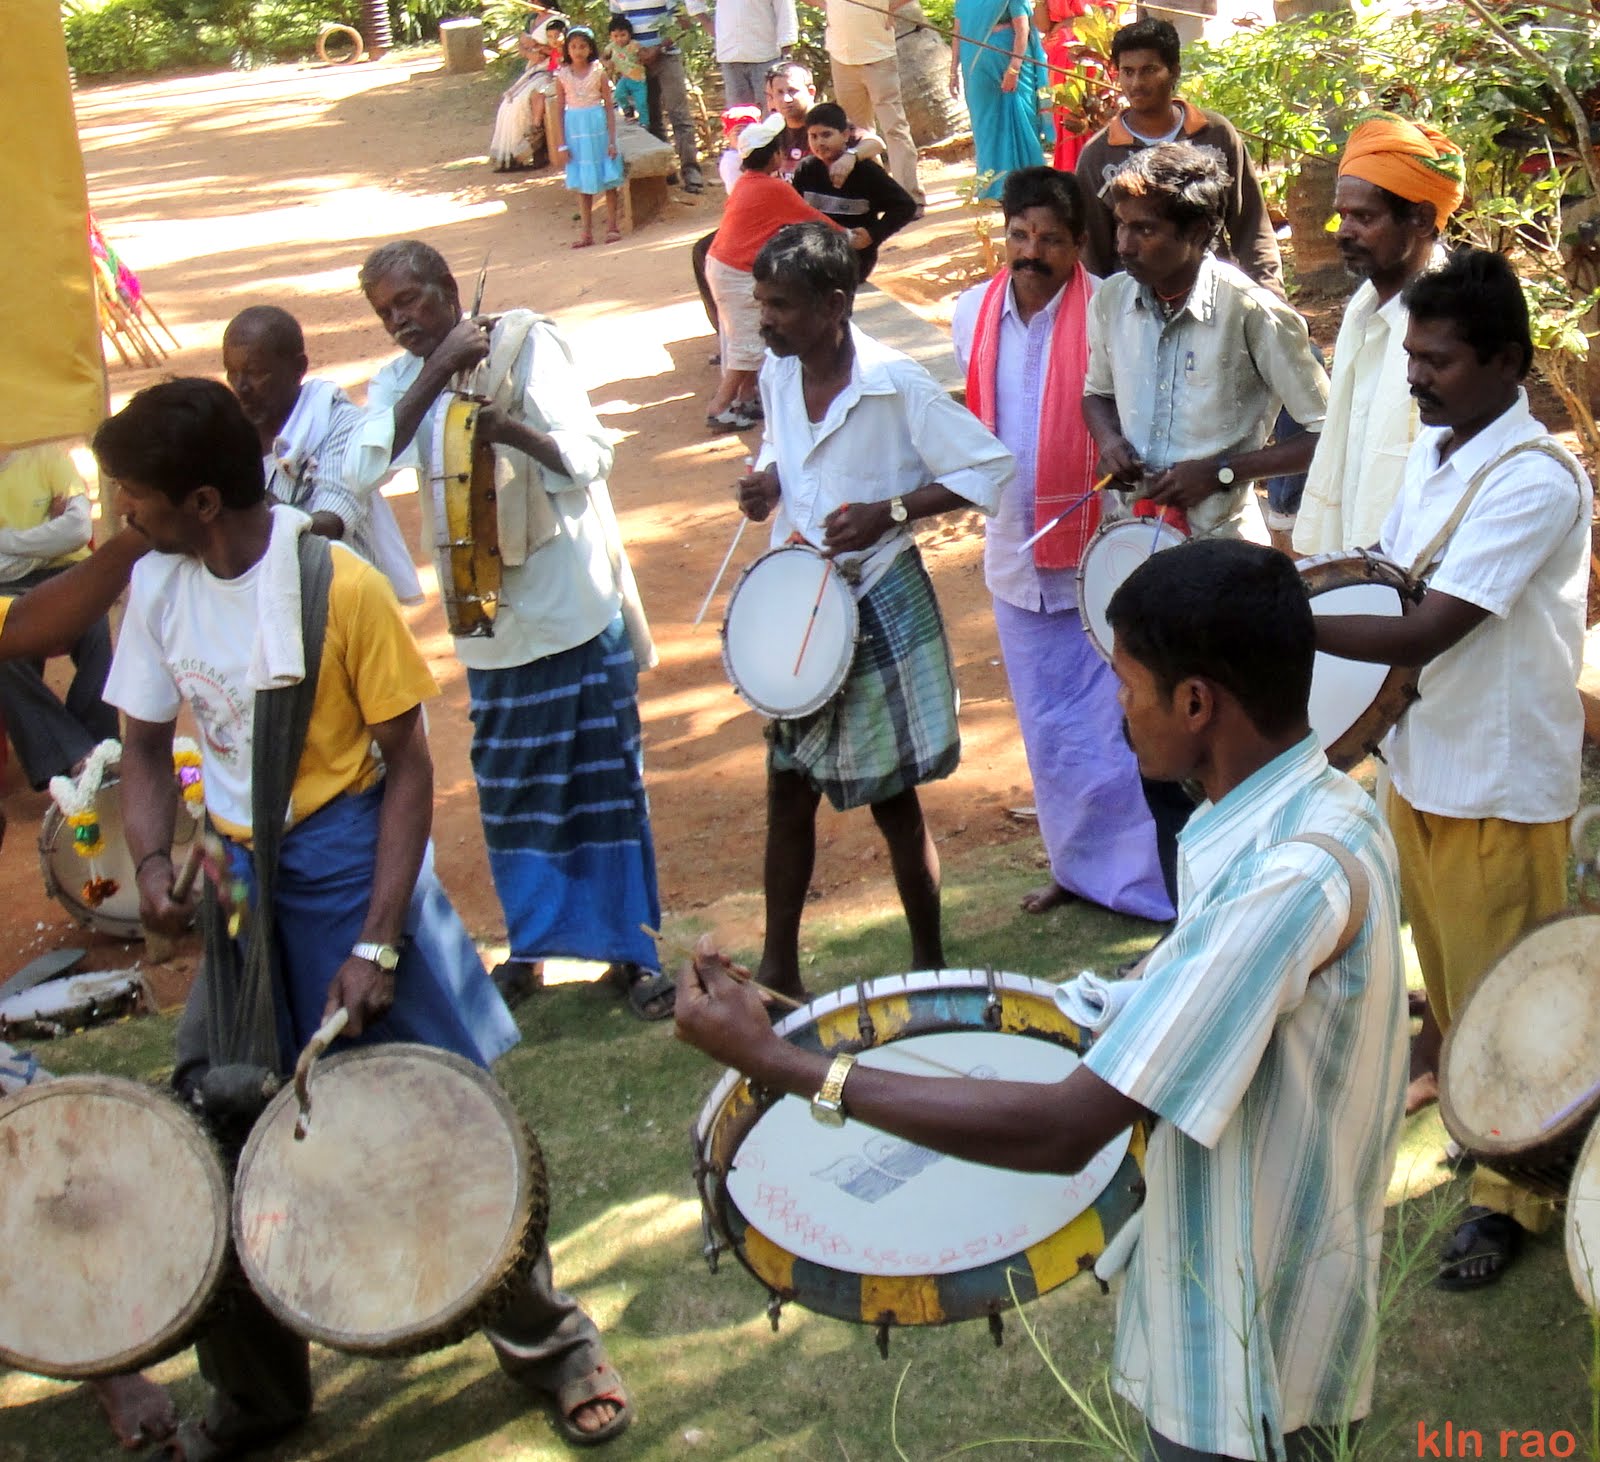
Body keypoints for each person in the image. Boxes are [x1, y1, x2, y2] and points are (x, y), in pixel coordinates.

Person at [678, 536, 1407, 1462]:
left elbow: (1066, 1128)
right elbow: (1175, 996)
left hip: (1255, 1377)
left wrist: (784, 1065)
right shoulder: (1313, 811)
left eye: (1127, 685)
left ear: (1196, 704)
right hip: (1239, 1323)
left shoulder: (1292, 880)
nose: (1117, 708)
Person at [97, 378, 634, 1457]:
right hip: (241, 872)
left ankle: (554, 1344)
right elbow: (146, 747)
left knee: (445, 1114)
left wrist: (377, 938)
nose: (125, 521)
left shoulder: (335, 587)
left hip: (349, 859)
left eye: (137, 500)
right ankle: (257, 1398)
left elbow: (408, 769)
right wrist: (155, 860)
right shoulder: (157, 586)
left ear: (202, 501)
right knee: (220, 1122)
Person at [1315, 249, 1592, 1291]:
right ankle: (1489, 1148)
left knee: (1511, 1003)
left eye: (1436, 361)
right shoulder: (1442, 453)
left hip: (1495, 778)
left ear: (1506, 362)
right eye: (1413, 358)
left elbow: (1428, 622)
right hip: (1424, 763)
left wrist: (1274, 620)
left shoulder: (1534, 478)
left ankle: (1516, 1195)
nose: (1415, 378)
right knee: (1453, 985)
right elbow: (1385, 579)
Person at [351, 241, 669, 1018]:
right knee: (512, 793)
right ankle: (532, 945)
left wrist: (511, 433)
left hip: (570, 606)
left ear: (449, 289)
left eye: (411, 303)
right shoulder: (400, 383)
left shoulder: (529, 346)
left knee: (603, 788)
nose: (400, 322)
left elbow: (590, 457)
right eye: (386, 313)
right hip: (487, 627)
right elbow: (360, 468)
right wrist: (436, 373)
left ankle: (633, 955)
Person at [737, 222, 1012, 1000]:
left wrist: (891, 509)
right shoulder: (778, 370)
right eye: (760, 302)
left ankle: (929, 961)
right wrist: (765, 482)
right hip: (799, 601)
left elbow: (989, 467)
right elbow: (780, 451)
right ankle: (777, 969)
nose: (765, 319)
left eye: (780, 305)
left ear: (833, 305)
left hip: (876, 595)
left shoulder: (901, 384)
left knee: (893, 800)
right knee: (787, 791)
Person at [1082, 140, 1327, 903]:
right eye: (1120, 225)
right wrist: (1111, 440)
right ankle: (1186, 925)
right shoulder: (1111, 301)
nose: (1123, 244)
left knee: (1228, 762)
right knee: (1155, 759)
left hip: (1223, 568)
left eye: (1144, 229)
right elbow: (1095, 393)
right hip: (1134, 560)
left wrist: (1219, 471)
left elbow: (1324, 432)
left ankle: (1252, 916)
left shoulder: (1253, 312)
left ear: (1198, 234)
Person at [952, 166, 1169, 921]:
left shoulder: (1115, 308)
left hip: (1101, 551)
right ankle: (1077, 871)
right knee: (1047, 732)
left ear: (1080, 244)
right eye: (1019, 235)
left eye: (1049, 238)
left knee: (1121, 723)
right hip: (1015, 551)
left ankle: (1142, 883)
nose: (1031, 251)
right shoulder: (971, 312)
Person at [1293, 114, 1463, 558]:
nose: (1344, 231)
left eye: (1364, 216)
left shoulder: (1456, 321)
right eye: (1342, 215)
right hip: (1362, 567)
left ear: (1422, 219)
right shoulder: (1362, 309)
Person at [220, 305, 421, 602]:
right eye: (231, 372)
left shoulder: (338, 422)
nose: (241, 387)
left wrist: (260, 512)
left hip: (343, 604)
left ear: (298, 368)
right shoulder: (229, 432)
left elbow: (329, 523)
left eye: (256, 373)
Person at [1075, 18, 1280, 294]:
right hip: (1135, 302)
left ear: (1173, 72)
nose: (1136, 83)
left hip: (1215, 293)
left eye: (1149, 70)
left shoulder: (1216, 135)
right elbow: (1092, 256)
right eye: (1127, 71)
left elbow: (1252, 227)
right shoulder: (1098, 155)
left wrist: (1270, 295)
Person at [704, 115, 856, 432]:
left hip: (723, 265)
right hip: (735, 271)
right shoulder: (773, 188)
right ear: (774, 155)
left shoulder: (747, 183)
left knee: (741, 336)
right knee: (747, 343)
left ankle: (745, 398)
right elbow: (813, 219)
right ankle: (719, 406)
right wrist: (850, 236)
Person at [0, 443, 119, 789]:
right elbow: (63, 535)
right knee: (4, 651)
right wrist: (48, 536)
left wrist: (8, 541)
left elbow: (78, 531)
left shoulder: (49, 458)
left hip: (67, 574)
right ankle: (77, 755)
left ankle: (100, 748)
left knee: (94, 625)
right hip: (6, 588)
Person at [819, 0, 926, 208]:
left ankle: (909, 199)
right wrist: (828, 7)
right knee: (855, 132)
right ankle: (875, 196)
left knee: (894, 127)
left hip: (878, 52)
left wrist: (891, 7)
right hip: (841, 54)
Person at [791, 101, 916, 279]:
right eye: (814, 136)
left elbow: (905, 206)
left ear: (845, 135)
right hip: (814, 254)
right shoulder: (806, 170)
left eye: (826, 135)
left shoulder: (866, 172)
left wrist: (873, 235)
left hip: (854, 259)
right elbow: (793, 210)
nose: (820, 142)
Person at [949, 0, 1051, 199]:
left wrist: (1014, 69)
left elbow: (1022, 30)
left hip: (1010, 63)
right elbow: (957, 32)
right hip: (975, 66)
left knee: (1020, 120)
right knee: (985, 125)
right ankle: (993, 188)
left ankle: (1028, 186)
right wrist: (953, 70)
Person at [608, 0, 704, 191]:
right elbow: (617, 26)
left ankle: (691, 171)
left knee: (679, 114)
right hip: (635, 64)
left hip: (667, 56)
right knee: (650, 117)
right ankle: (664, 171)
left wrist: (658, 48)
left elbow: (681, 22)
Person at [553, 26, 625, 248]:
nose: (577, 51)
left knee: (608, 178)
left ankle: (612, 226)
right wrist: (562, 144)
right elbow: (559, 109)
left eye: (582, 46)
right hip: (575, 132)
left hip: (598, 129)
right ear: (567, 49)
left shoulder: (598, 72)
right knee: (583, 183)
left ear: (590, 48)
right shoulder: (562, 75)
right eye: (573, 46)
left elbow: (609, 107)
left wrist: (612, 140)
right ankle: (586, 232)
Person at [1035, 0, 1115, 171]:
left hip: (1091, 50)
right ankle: (1072, 172)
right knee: (1068, 116)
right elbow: (1043, 26)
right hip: (1060, 55)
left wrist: (1072, 23)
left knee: (1095, 111)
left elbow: (1108, 11)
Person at [489, 12, 568, 171]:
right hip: (549, 76)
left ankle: (536, 127)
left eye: (556, 36)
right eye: (550, 37)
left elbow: (559, 59)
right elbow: (536, 49)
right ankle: (529, 138)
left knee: (539, 94)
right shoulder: (546, 44)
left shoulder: (565, 50)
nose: (553, 40)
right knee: (515, 100)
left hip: (561, 80)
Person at [698, 0, 797, 106]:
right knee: (739, 115)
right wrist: (706, 22)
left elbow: (785, 11)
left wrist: (786, 54)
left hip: (766, 55)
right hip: (731, 56)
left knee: (772, 110)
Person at [604, 14, 649, 127]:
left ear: (629, 34)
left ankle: (644, 122)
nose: (619, 39)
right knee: (619, 94)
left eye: (623, 35)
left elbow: (644, 55)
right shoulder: (611, 47)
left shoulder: (635, 45)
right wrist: (607, 63)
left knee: (641, 102)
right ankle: (628, 112)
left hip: (638, 80)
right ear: (610, 36)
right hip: (624, 78)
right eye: (615, 36)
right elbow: (603, 57)